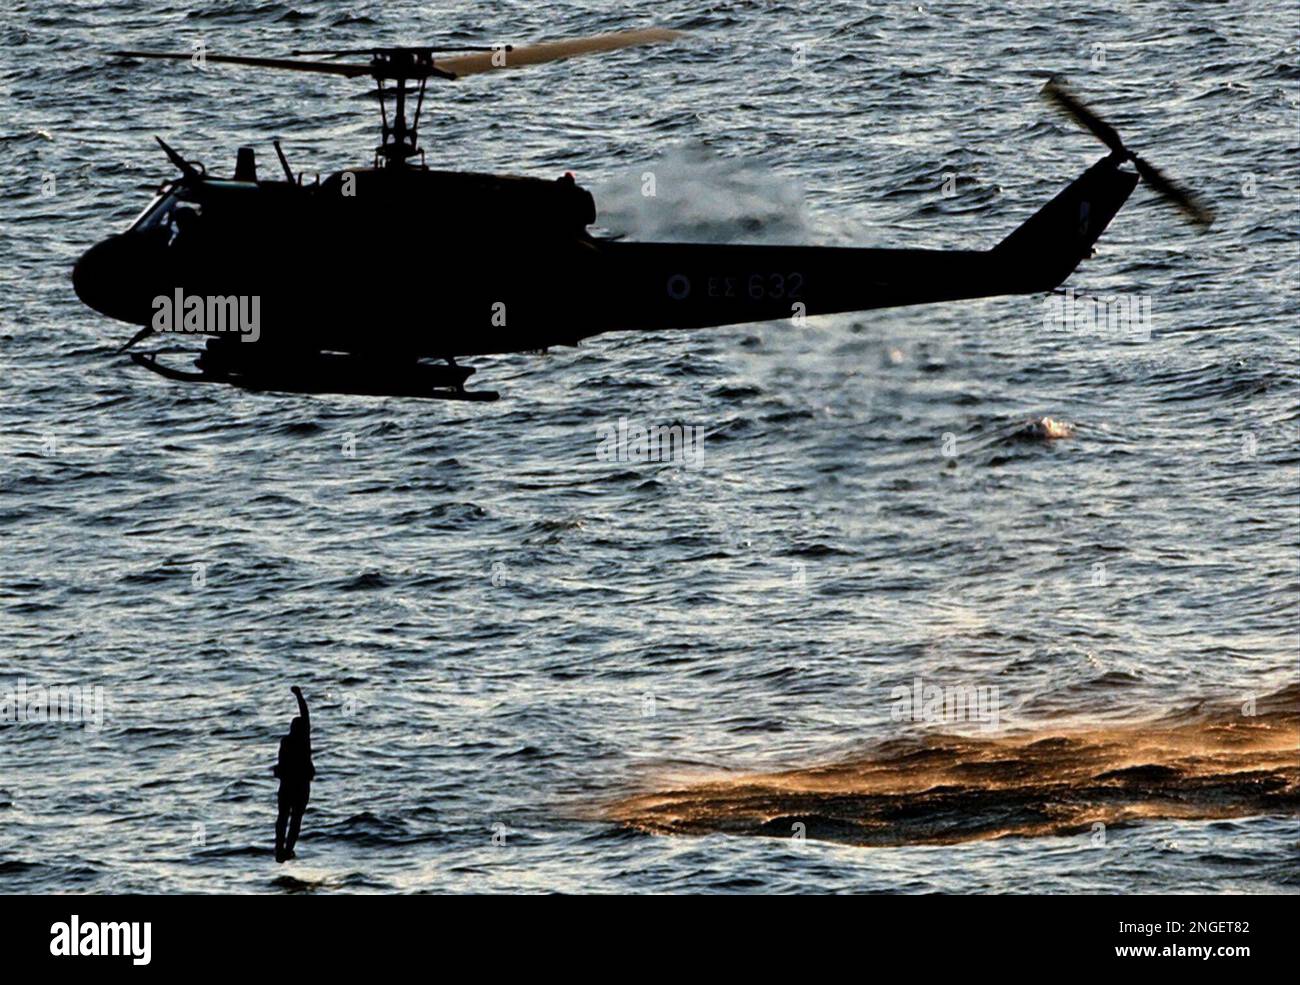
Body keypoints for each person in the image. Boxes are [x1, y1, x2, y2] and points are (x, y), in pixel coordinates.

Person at [274, 685, 315, 862]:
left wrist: (299, 696)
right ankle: (287, 849)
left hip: (287, 785)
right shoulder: (303, 740)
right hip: (300, 785)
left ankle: (279, 849)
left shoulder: (286, 741)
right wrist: (299, 695)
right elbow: (306, 715)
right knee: (296, 818)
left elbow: (304, 717)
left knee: (283, 816)